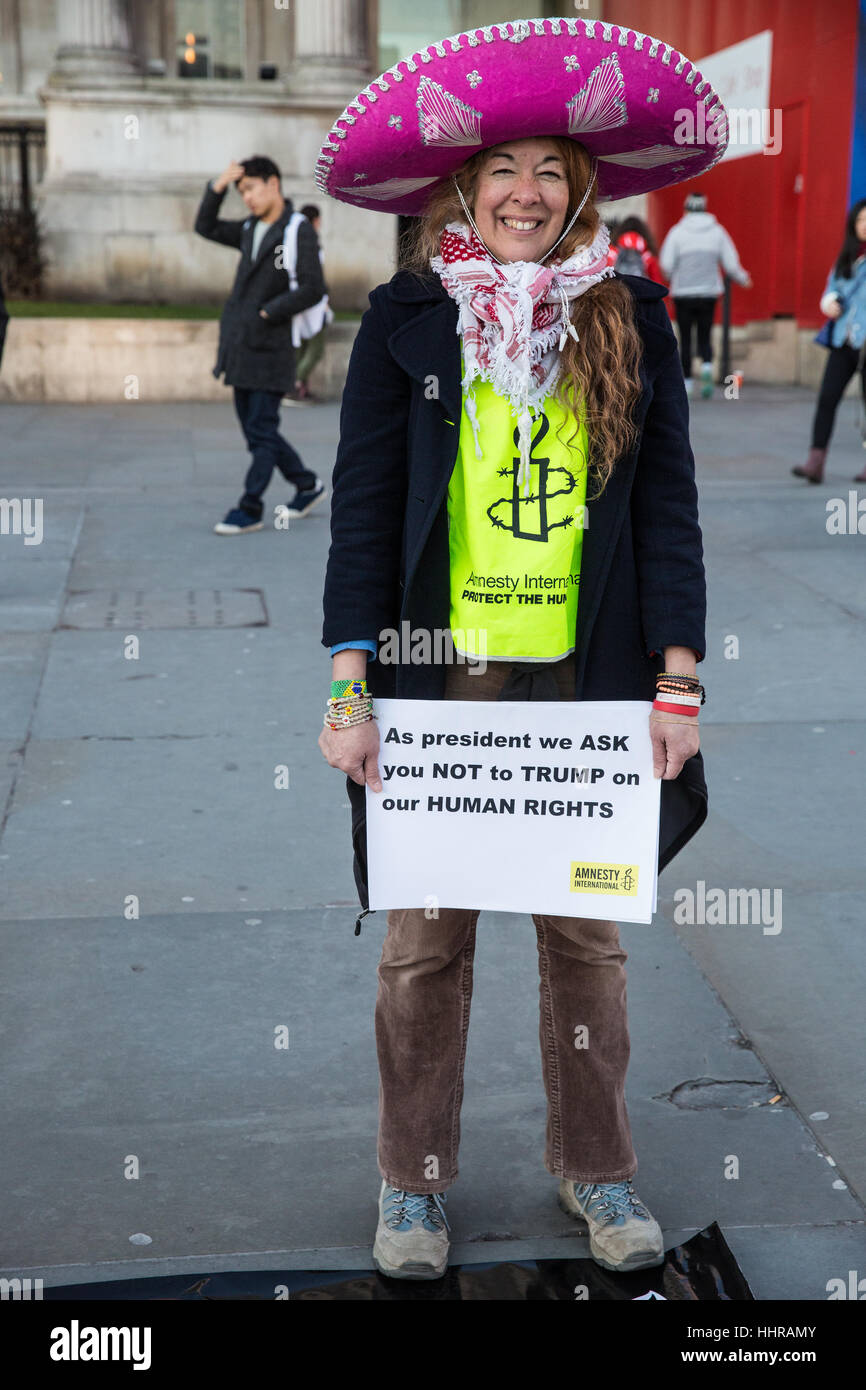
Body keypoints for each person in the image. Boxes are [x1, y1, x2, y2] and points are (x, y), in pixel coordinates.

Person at [317, 16, 717, 1281]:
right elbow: (365, 514)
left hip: (586, 676)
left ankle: (594, 1171)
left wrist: (675, 677)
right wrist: (347, 683)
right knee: (423, 942)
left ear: (579, 188)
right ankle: (414, 1186)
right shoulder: (406, 322)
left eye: (549, 170)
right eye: (501, 170)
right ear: (461, 188)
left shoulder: (629, 318)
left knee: (582, 942)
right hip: (443, 674)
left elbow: (666, 512)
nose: (525, 192)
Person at [194, 155, 328, 534]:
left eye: (251, 188)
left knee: (262, 429)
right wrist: (217, 187)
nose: (247, 198)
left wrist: (270, 312)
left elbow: (314, 287)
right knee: (257, 430)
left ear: (274, 183)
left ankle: (250, 506)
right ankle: (307, 484)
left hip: (272, 347)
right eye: (242, 192)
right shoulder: (250, 226)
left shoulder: (297, 229)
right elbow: (204, 226)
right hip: (240, 345)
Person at [792, 198, 866, 484]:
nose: (864, 226)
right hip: (842, 340)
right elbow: (830, 289)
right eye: (860, 220)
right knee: (827, 399)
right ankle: (816, 461)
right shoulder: (846, 256)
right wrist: (830, 302)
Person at [659, 191, 751, 399]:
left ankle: (688, 382)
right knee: (705, 333)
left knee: (685, 338)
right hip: (709, 293)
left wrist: (673, 275)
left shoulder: (677, 232)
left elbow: (666, 264)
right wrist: (744, 279)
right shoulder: (717, 232)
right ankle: (708, 366)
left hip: (683, 294)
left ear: (686, 208)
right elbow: (730, 262)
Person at [287, 204, 334, 404]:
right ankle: (293, 384)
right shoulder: (310, 242)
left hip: (298, 299)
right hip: (311, 301)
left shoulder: (295, 242)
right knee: (315, 348)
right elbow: (316, 278)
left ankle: (300, 388)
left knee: (302, 346)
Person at [606, 217, 665, 285]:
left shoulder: (612, 250)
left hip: (618, 289)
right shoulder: (647, 253)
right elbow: (656, 282)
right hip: (642, 290)